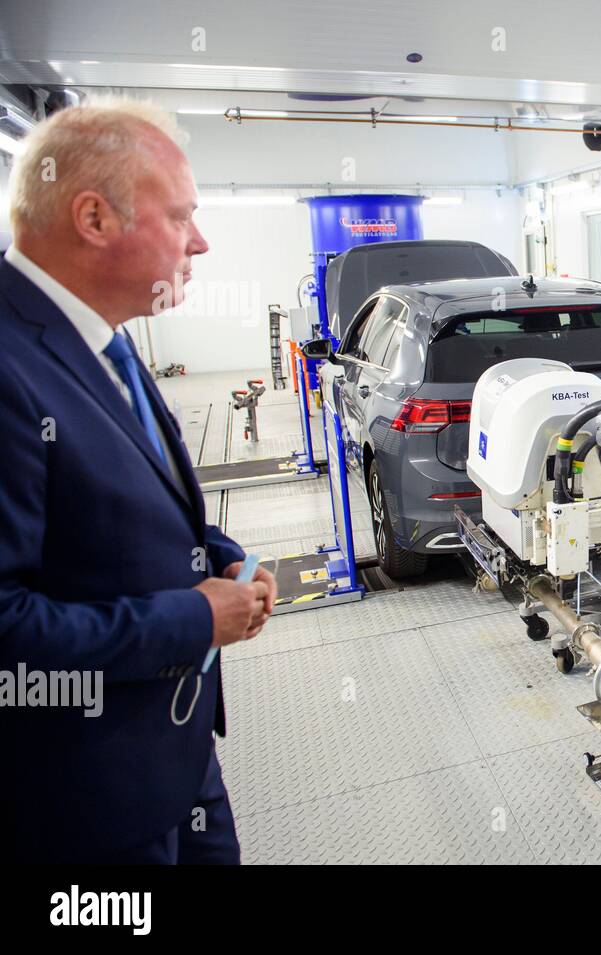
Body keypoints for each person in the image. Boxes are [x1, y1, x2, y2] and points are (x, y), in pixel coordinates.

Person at [0, 98, 277, 863]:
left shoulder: (105, 342)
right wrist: (194, 619)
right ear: (94, 218)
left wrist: (215, 552)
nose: (201, 241)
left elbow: (119, 503)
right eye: (181, 215)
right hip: (85, 813)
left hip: (177, 761)